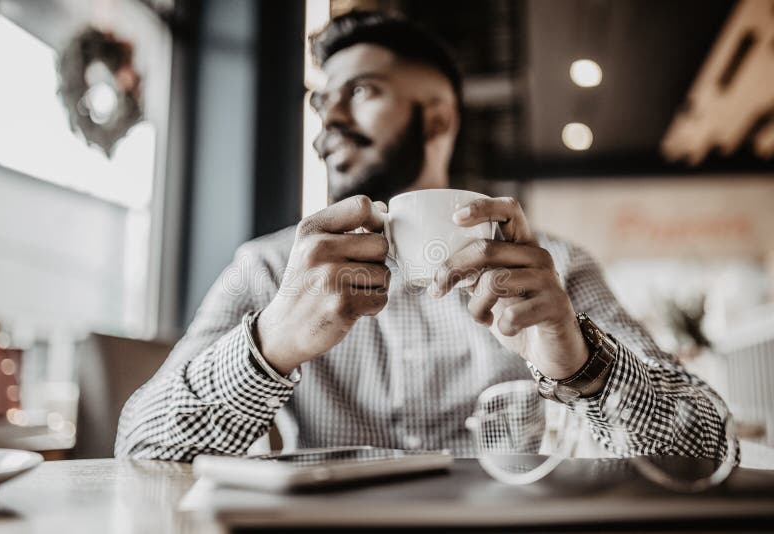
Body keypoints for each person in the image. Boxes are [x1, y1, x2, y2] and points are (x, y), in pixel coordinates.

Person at [115, 11, 732, 462]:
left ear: (437, 117)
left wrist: (584, 365)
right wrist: (269, 343)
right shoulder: (270, 271)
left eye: (361, 92)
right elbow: (138, 446)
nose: (328, 120)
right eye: (321, 102)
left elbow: (711, 446)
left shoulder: (555, 269)